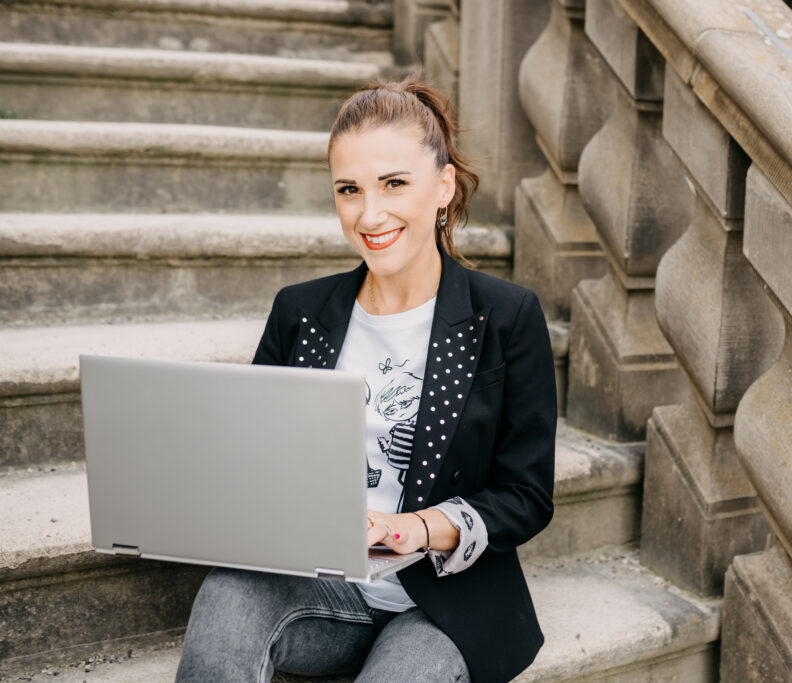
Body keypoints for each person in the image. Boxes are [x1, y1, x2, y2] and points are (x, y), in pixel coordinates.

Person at [173, 76, 557, 683]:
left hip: (444, 607)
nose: (369, 213)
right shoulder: (299, 312)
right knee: (227, 595)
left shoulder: (506, 317)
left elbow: (527, 495)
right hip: (324, 591)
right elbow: (258, 459)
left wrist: (419, 528)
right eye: (349, 189)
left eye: (394, 184)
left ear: (443, 186)